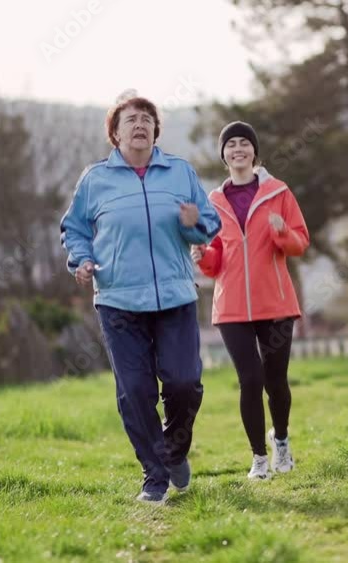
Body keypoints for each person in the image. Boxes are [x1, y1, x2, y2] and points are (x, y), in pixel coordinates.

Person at [60, 93, 221, 504]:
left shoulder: (179, 173)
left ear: (156, 131)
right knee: (135, 389)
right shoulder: (95, 180)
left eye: (147, 119)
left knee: (184, 382)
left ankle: (173, 451)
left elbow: (208, 224)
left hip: (175, 296)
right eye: (131, 119)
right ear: (115, 133)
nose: (140, 124)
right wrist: (82, 259)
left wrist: (194, 224)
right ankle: (155, 475)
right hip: (118, 300)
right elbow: (74, 229)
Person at [192, 121, 310, 480]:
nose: (238, 149)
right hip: (231, 308)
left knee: (276, 381)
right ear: (224, 155)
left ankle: (282, 441)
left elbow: (300, 243)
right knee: (250, 379)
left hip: (275, 304)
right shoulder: (213, 202)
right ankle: (259, 458)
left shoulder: (278, 193)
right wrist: (203, 257)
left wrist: (282, 233)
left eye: (244, 143)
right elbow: (215, 260)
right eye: (231, 145)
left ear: (254, 151)